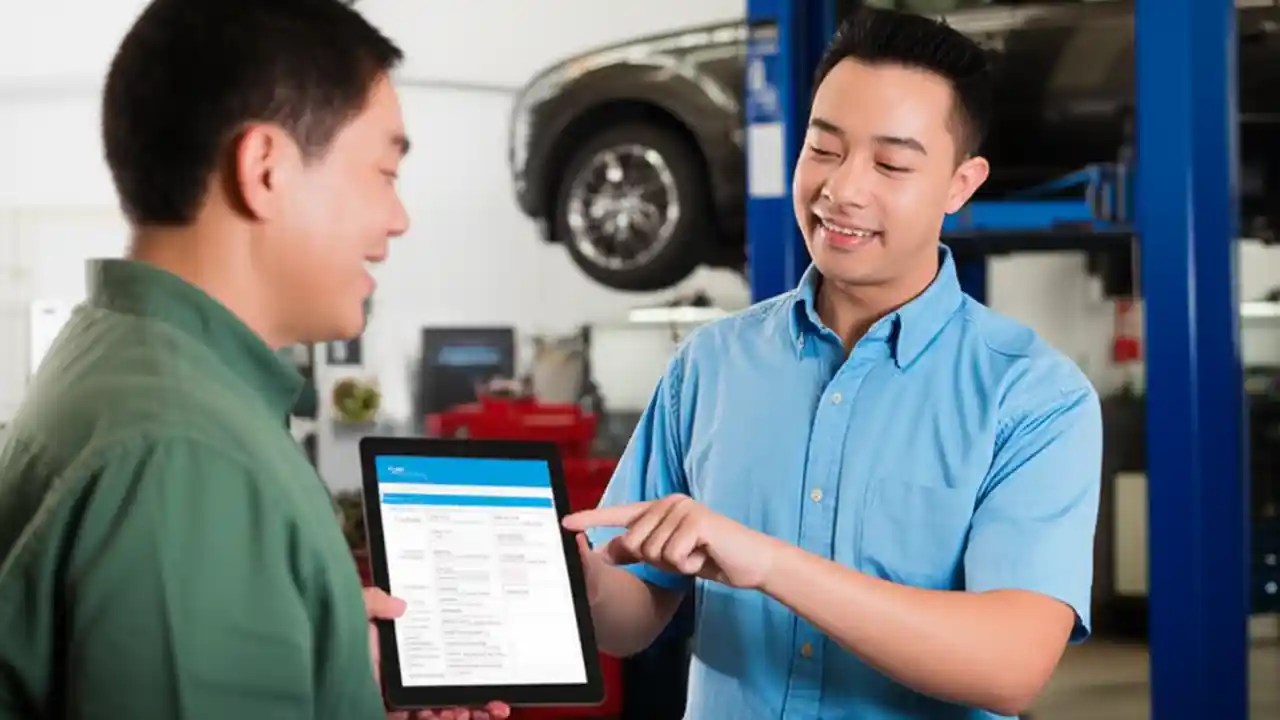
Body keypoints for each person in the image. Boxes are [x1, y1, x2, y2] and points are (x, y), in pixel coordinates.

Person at [563, 7, 1102, 720]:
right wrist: (582, 584)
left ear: (960, 184)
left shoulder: (1032, 396)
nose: (843, 190)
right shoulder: (710, 367)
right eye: (823, 149)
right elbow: (631, 618)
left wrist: (771, 564)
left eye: (891, 164)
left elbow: (1010, 664)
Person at [0, 1, 506, 719]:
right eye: (385, 172)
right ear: (265, 168)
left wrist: (332, 675)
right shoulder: (188, 456)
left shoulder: (120, 359)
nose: (398, 220)